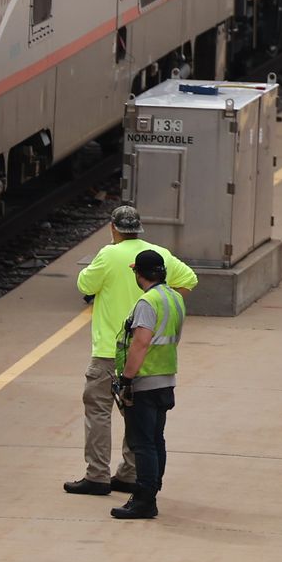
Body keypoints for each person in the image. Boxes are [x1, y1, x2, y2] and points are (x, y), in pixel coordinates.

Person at [65, 204, 197, 498]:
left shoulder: (109, 254)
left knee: (99, 410)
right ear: (139, 229)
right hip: (145, 352)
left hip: (108, 350)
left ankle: (97, 475)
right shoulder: (158, 254)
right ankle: (129, 473)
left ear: (113, 228)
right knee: (135, 413)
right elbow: (189, 280)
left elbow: (84, 284)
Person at [110, 249, 186, 521]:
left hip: (144, 380)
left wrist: (126, 380)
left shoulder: (147, 302)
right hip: (166, 379)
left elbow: (141, 342)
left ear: (139, 274)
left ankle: (144, 499)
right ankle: (151, 490)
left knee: (142, 443)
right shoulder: (175, 298)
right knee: (156, 439)